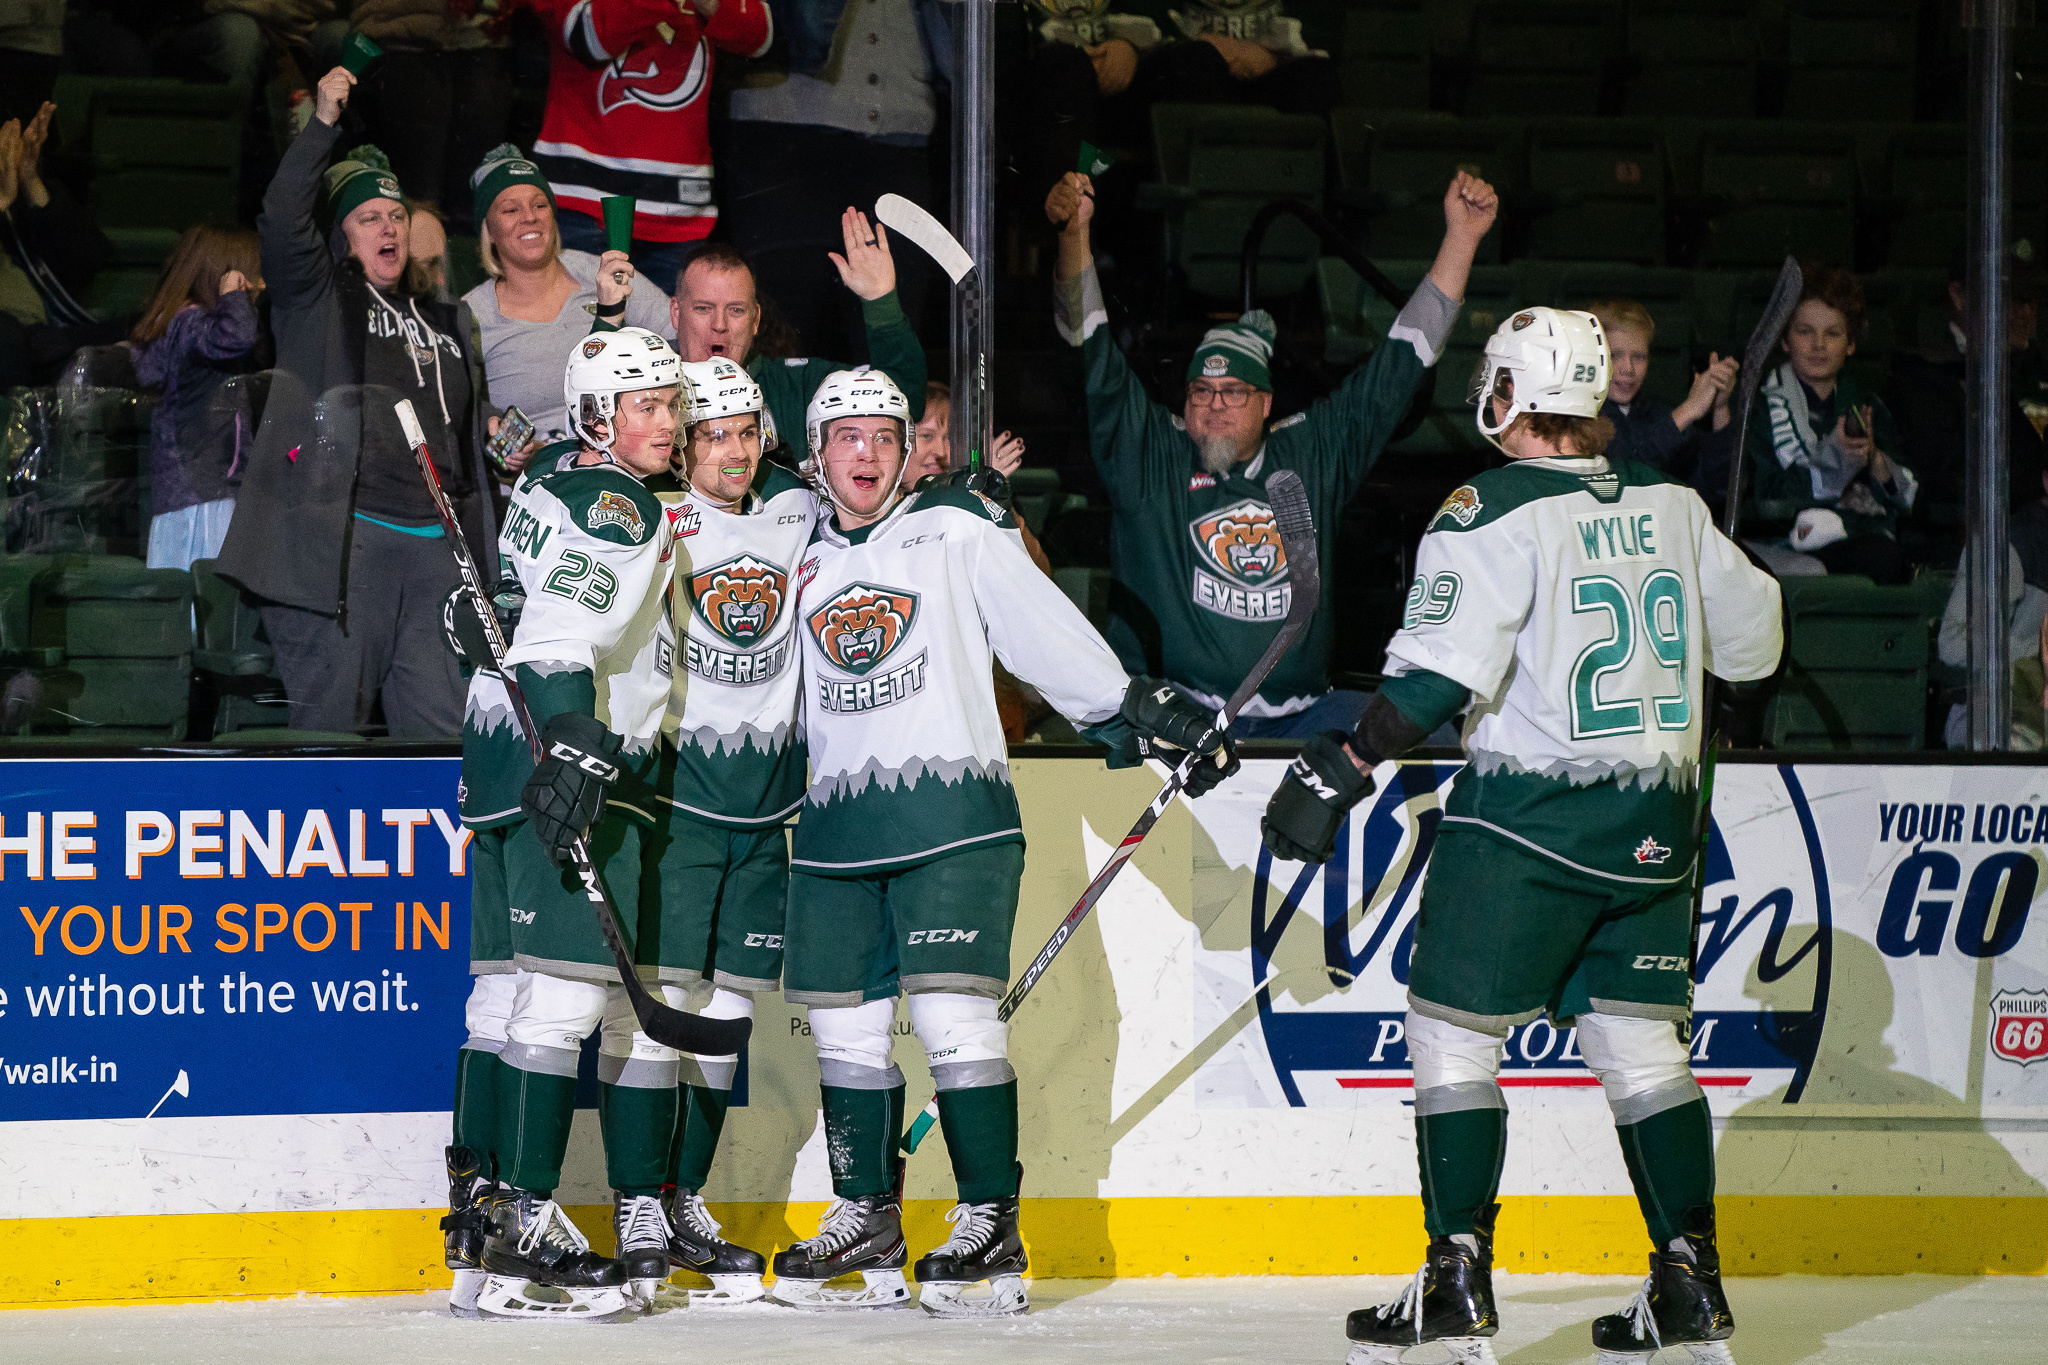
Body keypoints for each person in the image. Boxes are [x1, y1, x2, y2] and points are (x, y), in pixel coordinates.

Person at [1257, 305, 1782, 1365]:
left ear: (1509, 396)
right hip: (1656, 830)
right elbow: (1755, 645)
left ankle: (1453, 1283)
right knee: (1640, 1049)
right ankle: (1688, 1282)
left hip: (1527, 826)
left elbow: (1436, 679)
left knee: (1453, 1036)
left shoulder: (1483, 507)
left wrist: (1345, 762)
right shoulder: (1675, 506)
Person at [767, 369, 1235, 1317]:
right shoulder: (793, 554)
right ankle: (866, 1213)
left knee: (952, 1024)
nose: (867, 453)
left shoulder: (954, 531)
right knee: (848, 1034)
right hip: (832, 834)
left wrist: (1132, 709)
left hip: (955, 823)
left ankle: (990, 1225)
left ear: (908, 450)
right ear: (816, 454)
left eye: (885, 436)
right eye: (847, 437)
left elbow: (1042, 635)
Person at [1048, 166, 1497, 738]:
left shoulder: (1312, 450)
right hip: (1177, 721)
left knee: (1429, 741)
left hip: (1302, 719)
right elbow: (1088, 343)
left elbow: (1402, 361)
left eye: (1233, 392)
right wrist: (1072, 235)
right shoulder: (1150, 453)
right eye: (1200, 392)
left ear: (1265, 403)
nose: (1213, 405)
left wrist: (1462, 238)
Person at [443, 325, 683, 1321]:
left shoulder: (545, 480)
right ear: (598, 418)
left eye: (672, 404)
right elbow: (557, 633)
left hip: (491, 754)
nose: (668, 423)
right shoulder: (622, 503)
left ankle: (480, 1222)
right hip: (554, 749)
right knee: (565, 1001)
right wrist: (579, 738)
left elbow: (496, 604)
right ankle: (528, 1229)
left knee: (498, 1002)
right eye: (649, 407)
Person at [214, 65, 502, 738]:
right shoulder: (319, 299)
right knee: (330, 743)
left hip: (436, 553)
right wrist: (322, 124)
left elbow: (465, 449)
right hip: (345, 548)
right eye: (369, 217)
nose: (389, 228)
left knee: (445, 746)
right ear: (343, 233)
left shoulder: (446, 320)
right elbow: (282, 219)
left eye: (397, 216)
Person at [631, 355, 820, 1303]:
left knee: (728, 1022)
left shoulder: (797, 513)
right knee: (661, 1019)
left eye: (748, 433)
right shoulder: (660, 521)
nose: (735, 451)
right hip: (683, 806)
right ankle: (635, 1210)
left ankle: (680, 1198)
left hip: (768, 813)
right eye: (715, 435)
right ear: (686, 446)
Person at [719, 0, 948, 358]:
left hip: (899, 139)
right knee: (775, 339)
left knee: (890, 336)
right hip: (782, 133)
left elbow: (967, 61)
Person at [1699, 264, 1917, 585]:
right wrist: (1836, 462)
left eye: (1832, 333)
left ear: (1851, 344)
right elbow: (1765, 495)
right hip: (1783, 541)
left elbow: (1907, 496)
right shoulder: (1756, 405)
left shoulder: (1867, 404)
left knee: (1888, 557)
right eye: (1804, 332)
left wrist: (1872, 457)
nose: (1819, 345)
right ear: (1785, 341)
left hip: (1860, 538)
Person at [527, 0, 771, 284]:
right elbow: (587, 35)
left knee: (671, 328)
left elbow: (759, 35)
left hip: (679, 209)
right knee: (580, 327)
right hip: (584, 202)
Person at [463, 143, 671, 450]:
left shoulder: (598, 271)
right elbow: (472, 422)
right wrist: (509, 455)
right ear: (489, 231)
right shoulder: (471, 313)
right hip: (536, 475)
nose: (529, 217)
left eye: (540, 205)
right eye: (510, 210)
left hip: (621, 456)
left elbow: (677, 332)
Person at [666, 227, 927, 467]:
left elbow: (904, 400)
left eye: (736, 310)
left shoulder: (799, 387)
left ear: (755, 319)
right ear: (676, 313)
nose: (719, 324)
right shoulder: (649, 391)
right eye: (703, 309)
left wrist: (881, 303)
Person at [130, 225, 267, 571]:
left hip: (199, 492)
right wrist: (233, 297)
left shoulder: (184, 325)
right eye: (254, 275)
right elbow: (235, 336)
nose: (262, 285)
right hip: (202, 493)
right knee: (206, 597)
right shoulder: (192, 324)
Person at [314, 3, 513, 231]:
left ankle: (460, 227)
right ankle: (419, 219)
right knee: (418, 78)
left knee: (482, 91)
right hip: (399, 32)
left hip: (481, 36)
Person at [1887, 249, 2048, 527]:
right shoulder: (1923, 372)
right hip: (1964, 538)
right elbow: (1945, 480)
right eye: (2007, 297)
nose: (2023, 311)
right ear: (1959, 296)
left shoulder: (2037, 369)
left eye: (2030, 300)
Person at [0, 102, 122, 387]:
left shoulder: (14, 206)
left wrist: (30, 179)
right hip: (12, 340)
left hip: (46, 337)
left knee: (151, 328)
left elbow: (83, 262)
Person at [1587, 298, 1737, 478]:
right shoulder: (1580, 420)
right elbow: (1626, 474)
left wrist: (1719, 408)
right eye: (1615, 355)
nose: (1628, 368)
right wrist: (1687, 411)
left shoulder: (1659, 415)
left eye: (1639, 357)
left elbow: (1717, 488)